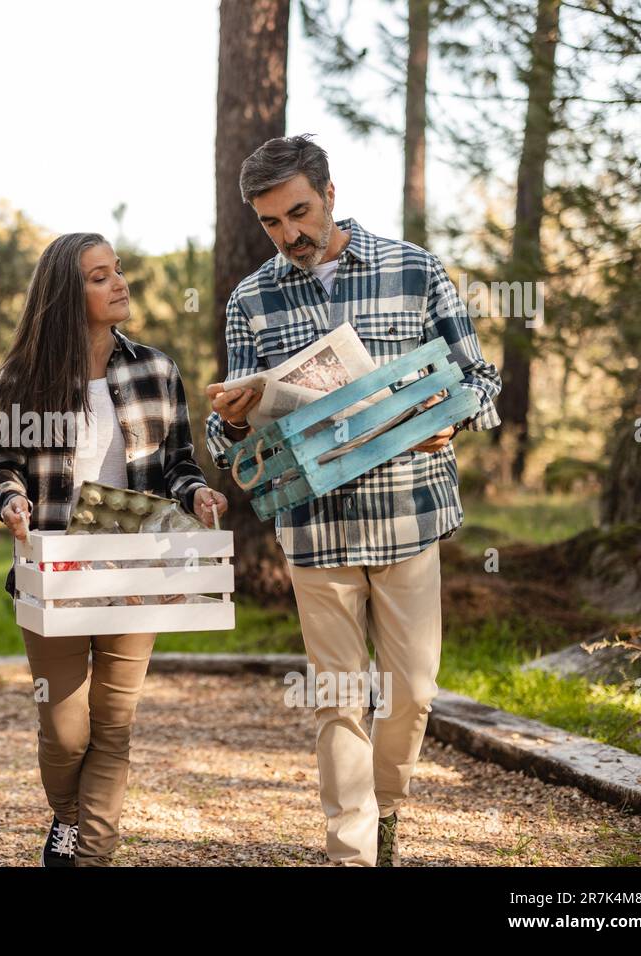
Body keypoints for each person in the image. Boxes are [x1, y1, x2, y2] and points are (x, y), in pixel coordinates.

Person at [205, 135, 502, 867]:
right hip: (314, 530)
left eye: (299, 212)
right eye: (272, 223)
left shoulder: (414, 270)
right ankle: (352, 853)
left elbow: (481, 381)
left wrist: (450, 418)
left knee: (412, 695)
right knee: (338, 700)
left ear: (330, 194)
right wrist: (237, 416)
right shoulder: (251, 299)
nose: (290, 234)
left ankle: (387, 808)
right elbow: (229, 438)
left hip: (410, 513)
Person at [0, 232, 230, 867]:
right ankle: (67, 819)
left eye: (117, 270)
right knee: (65, 733)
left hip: (135, 568)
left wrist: (199, 496)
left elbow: (179, 466)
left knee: (113, 725)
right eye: (99, 276)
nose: (119, 283)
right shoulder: (23, 380)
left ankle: (90, 854)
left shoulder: (155, 370)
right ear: (68, 292)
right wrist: (11, 503)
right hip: (56, 574)